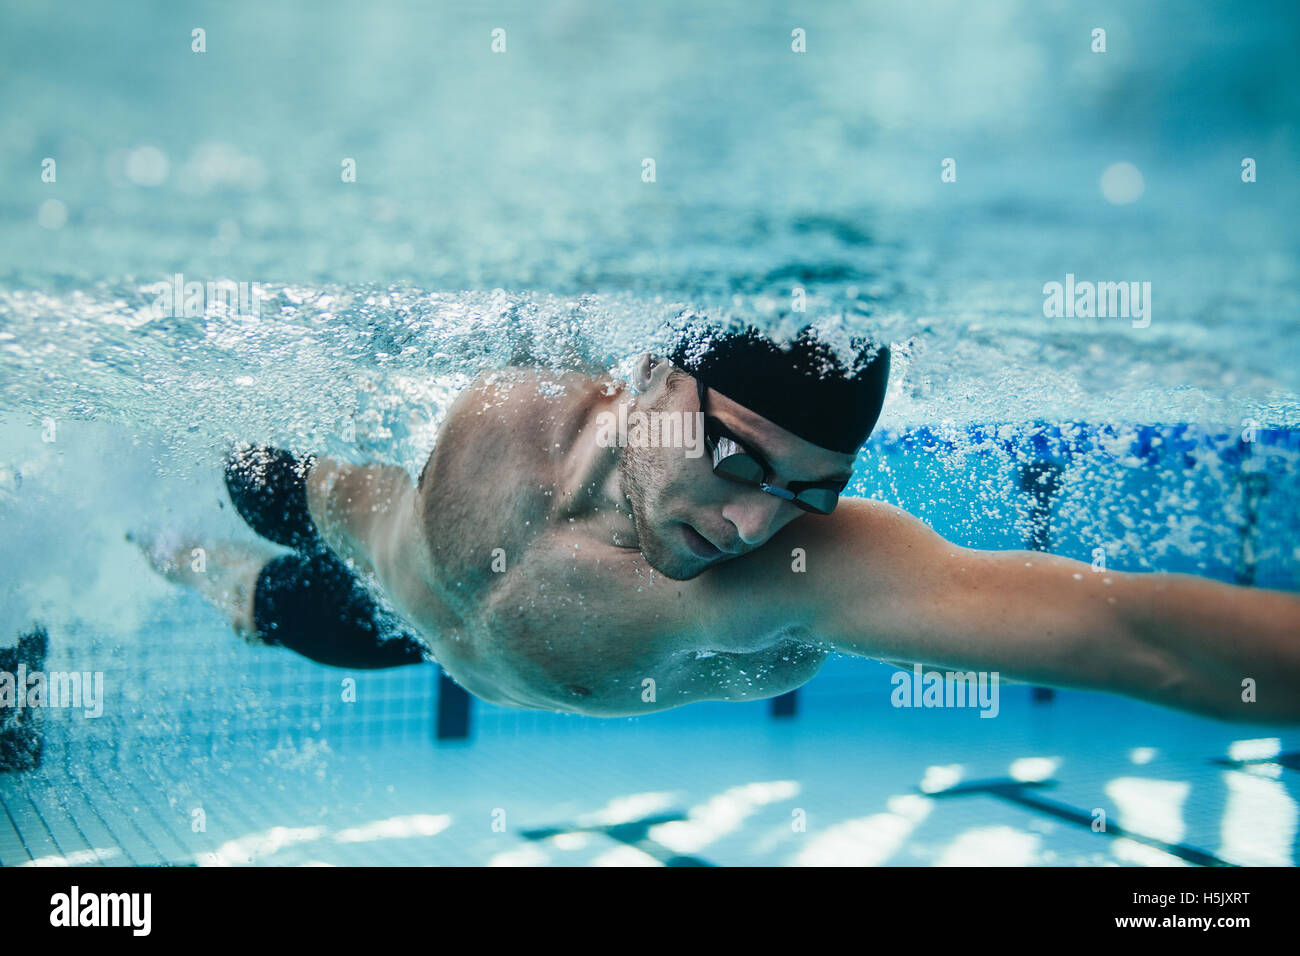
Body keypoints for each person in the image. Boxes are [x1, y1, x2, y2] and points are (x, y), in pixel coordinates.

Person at [140, 323, 1300, 722]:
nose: (753, 520)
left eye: (807, 489)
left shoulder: (792, 578)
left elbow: (1131, 634)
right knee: (221, 465)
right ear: (644, 376)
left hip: (391, 628)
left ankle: (170, 557)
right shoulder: (520, 384)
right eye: (737, 457)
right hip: (353, 525)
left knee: (231, 587)